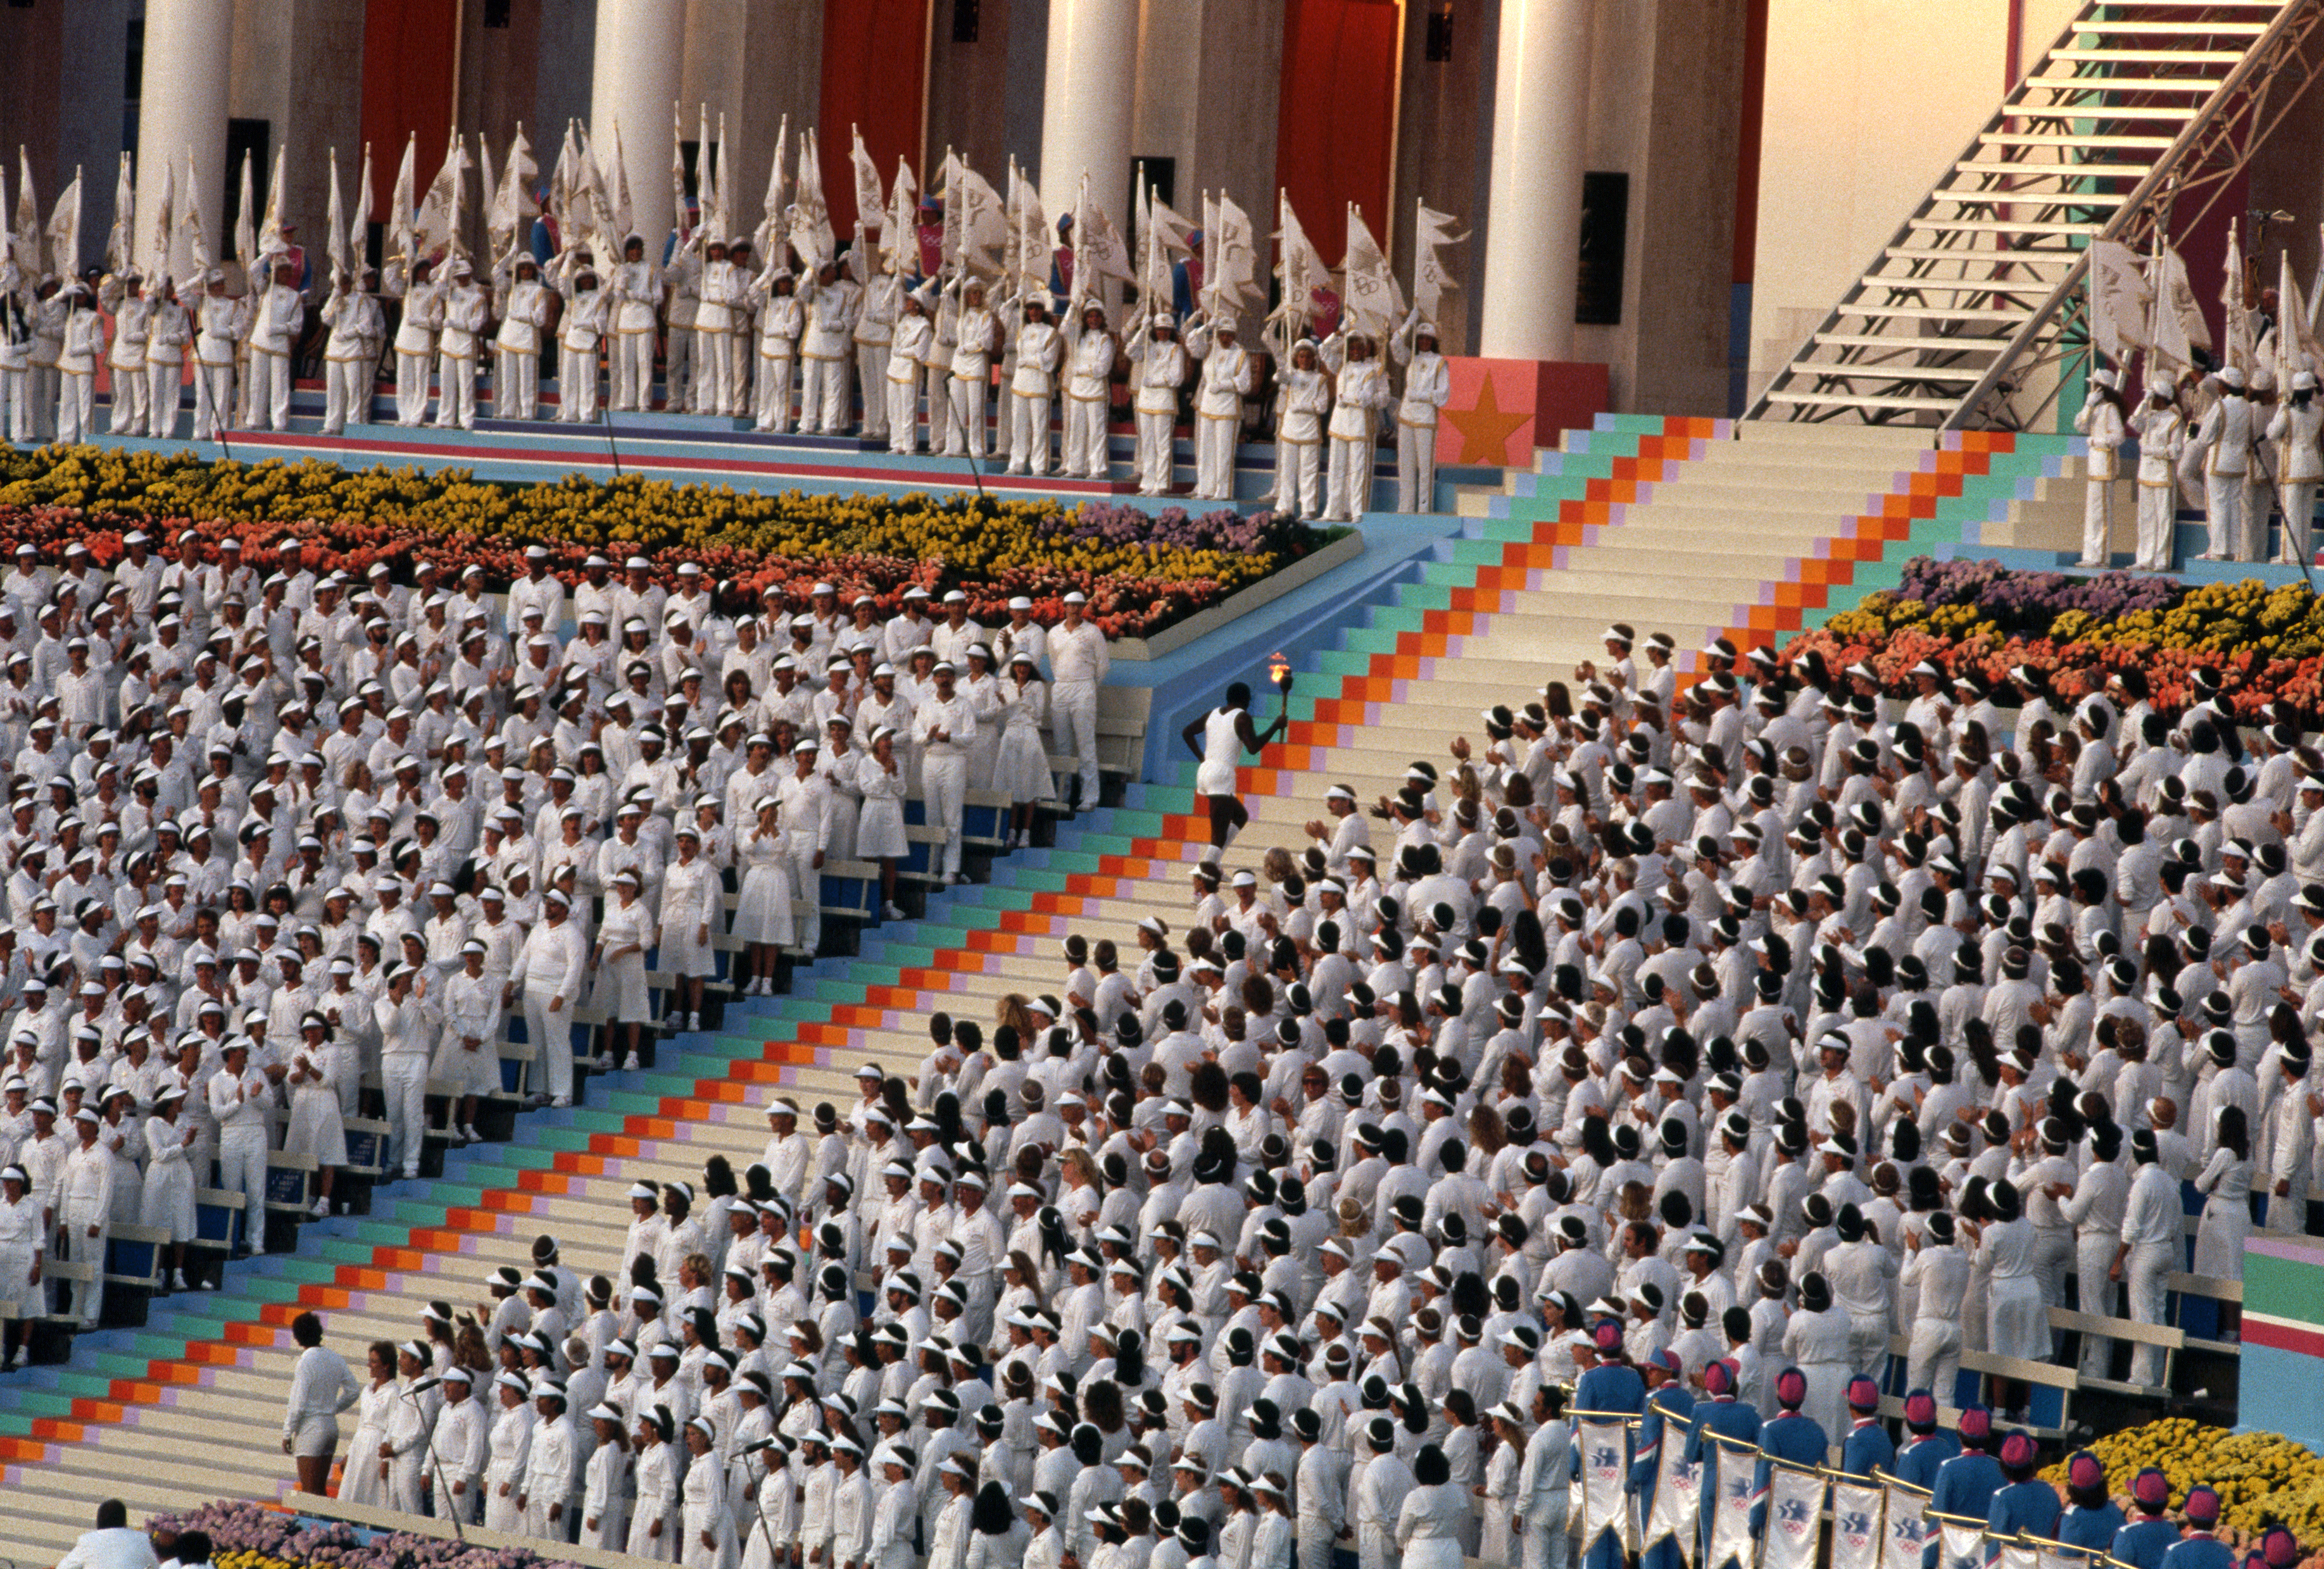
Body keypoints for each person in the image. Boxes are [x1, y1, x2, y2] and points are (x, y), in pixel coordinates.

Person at [1181, 680, 1289, 867]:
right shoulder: (1242, 718)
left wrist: (1202, 758)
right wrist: (1275, 726)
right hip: (1222, 775)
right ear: (1246, 700)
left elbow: (1187, 732)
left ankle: (1214, 864)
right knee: (1218, 834)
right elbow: (1253, 748)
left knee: (1240, 816)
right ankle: (1204, 877)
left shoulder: (1212, 714)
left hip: (1206, 772)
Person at [913, 661, 979, 886]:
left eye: (948, 675)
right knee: (932, 817)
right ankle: (933, 867)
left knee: (952, 817)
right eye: (940, 675)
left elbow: (970, 737)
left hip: (954, 761)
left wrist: (951, 738)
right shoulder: (926, 704)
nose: (944, 679)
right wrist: (929, 736)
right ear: (934, 679)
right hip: (931, 760)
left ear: (954, 679)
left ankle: (951, 869)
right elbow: (916, 736)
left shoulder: (964, 704)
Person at [1184, 311, 1256, 501]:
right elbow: (1191, 341)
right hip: (1208, 405)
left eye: (1229, 335)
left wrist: (1224, 385)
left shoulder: (1241, 355)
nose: (1225, 338)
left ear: (1234, 336)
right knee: (1206, 449)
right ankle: (1205, 488)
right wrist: (1207, 326)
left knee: (1224, 452)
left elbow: (1245, 384)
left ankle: (1222, 490)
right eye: (1222, 334)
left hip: (1228, 408)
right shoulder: (1209, 348)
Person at [1320, 328, 1390, 523]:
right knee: (1336, 468)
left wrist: (1345, 398)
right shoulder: (1341, 365)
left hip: (1360, 424)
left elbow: (1367, 399)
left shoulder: (1373, 370)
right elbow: (1323, 350)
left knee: (1357, 470)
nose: (1356, 351)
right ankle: (1332, 511)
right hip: (1339, 423)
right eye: (1353, 348)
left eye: (1361, 347)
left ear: (1367, 349)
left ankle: (1356, 511)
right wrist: (1338, 334)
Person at [2189, 365, 2252, 560]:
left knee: (2217, 506)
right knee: (2233, 505)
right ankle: (2232, 549)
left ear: (2225, 387)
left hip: (2219, 459)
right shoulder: (2247, 406)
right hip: (2238, 462)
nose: (2217, 387)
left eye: (2220, 384)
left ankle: (2216, 549)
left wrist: (2199, 434)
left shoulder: (2221, 406)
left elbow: (2205, 438)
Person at [1391, 311, 1450, 513]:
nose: (1424, 341)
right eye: (1421, 338)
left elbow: (1443, 395)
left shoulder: (1439, 362)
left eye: (1428, 339)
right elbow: (1395, 344)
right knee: (1405, 464)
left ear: (1433, 341)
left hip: (1426, 418)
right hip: (1407, 416)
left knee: (1425, 466)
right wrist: (1409, 323)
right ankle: (1405, 506)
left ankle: (1424, 507)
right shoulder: (1411, 358)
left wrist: (1422, 395)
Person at [1127, 311, 1188, 496]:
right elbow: (1130, 351)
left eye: (1166, 330)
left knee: (1162, 444)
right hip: (1146, 399)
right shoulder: (1147, 345)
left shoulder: (1175, 349)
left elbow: (1177, 378)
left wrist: (1156, 381)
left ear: (1171, 331)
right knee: (1147, 442)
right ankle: (1148, 482)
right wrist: (1142, 329)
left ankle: (1161, 484)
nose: (1163, 333)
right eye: (1159, 329)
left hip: (1164, 399)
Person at [1005, 291, 1064, 477]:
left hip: (1040, 383)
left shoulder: (1051, 333)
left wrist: (1030, 361)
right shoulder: (1022, 330)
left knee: (1039, 427)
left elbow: (1049, 362)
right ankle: (1017, 463)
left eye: (1037, 308)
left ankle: (1039, 465)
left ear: (1043, 311)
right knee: (1019, 425)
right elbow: (1003, 314)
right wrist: (1016, 295)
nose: (1033, 312)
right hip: (1021, 382)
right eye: (1030, 308)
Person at [320, 268, 385, 435]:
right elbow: (326, 318)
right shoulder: (335, 300)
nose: (344, 286)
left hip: (354, 349)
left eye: (346, 283)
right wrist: (334, 296)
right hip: (335, 349)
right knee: (334, 388)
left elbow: (365, 325)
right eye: (341, 284)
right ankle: (333, 424)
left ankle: (353, 424)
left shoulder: (361, 300)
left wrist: (348, 334)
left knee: (354, 388)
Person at [2074, 368, 2127, 566]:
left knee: (2102, 514)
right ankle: (2089, 555)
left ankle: (2100, 557)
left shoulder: (2110, 409)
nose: (2091, 388)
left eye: (2094, 385)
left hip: (2105, 466)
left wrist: (2097, 442)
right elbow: (2080, 425)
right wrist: (2088, 405)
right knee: (2092, 514)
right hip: (2094, 468)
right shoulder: (2095, 408)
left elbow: (2119, 437)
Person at [2268, 368, 2321, 563]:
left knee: (2291, 513)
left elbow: (2272, 433)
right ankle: (2302, 553)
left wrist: (2282, 409)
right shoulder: (2318, 413)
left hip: (2293, 466)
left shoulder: (2287, 413)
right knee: (2305, 513)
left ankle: (2289, 556)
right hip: (2312, 466)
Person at [1272, 339, 1329, 520]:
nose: (1304, 360)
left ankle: (1308, 508)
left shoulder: (1320, 379)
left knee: (1308, 470)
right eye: (1301, 356)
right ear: (1297, 358)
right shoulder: (1291, 376)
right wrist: (1282, 367)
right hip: (1290, 428)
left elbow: (1322, 406)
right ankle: (1285, 507)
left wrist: (1305, 407)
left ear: (1314, 359)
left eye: (1308, 356)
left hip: (1310, 429)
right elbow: (1278, 378)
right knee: (1287, 469)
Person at [494, 254, 554, 421]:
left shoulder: (539, 290)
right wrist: (509, 256)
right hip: (509, 336)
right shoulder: (511, 286)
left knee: (527, 377)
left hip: (528, 337)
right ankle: (508, 410)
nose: (526, 272)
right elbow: (496, 273)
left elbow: (540, 319)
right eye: (522, 268)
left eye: (529, 268)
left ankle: (527, 411)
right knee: (508, 376)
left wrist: (520, 315)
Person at [610, 235, 664, 412]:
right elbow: (618, 295)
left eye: (638, 248)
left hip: (645, 318)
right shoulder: (622, 269)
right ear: (626, 252)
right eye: (632, 249)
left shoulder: (651, 269)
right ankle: (627, 401)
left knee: (644, 361)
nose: (635, 252)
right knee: (626, 362)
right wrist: (622, 280)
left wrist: (641, 296)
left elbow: (659, 297)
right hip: (627, 319)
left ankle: (644, 402)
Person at [390, 256, 444, 427]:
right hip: (405, 339)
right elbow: (389, 277)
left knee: (421, 381)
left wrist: (419, 321)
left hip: (422, 341)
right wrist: (401, 259)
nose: (424, 273)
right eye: (421, 270)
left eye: (427, 270)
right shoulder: (407, 289)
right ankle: (404, 416)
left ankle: (417, 417)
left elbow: (437, 322)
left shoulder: (434, 291)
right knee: (404, 379)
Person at [436, 259, 489, 430]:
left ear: (469, 275)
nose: (462, 279)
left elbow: (476, 324)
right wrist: (446, 267)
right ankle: (445, 419)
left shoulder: (478, 297)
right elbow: (438, 288)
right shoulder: (451, 292)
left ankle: (467, 419)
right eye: (458, 276)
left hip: (466, 345)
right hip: (448, 344)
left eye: (464, 276)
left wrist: (456, 323)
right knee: (446, 383)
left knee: (466, 385)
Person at [557, 263, 610, 423]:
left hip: (589, 340)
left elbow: (601, 322)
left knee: (588, 379)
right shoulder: (573, 297)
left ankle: (586, 414)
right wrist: (569, 258)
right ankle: (569, 413)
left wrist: (587, 326)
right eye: (583, 279)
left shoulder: (599, 298)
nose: (586, 281)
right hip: (572, 340)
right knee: (569, 379)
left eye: (589, 278)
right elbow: (562, 284)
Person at [54, 1500, 158, 1569]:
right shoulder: (142, 1539)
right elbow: (161, 1564)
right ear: (124, 1521)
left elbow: (63, 1567)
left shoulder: (88, 1541)